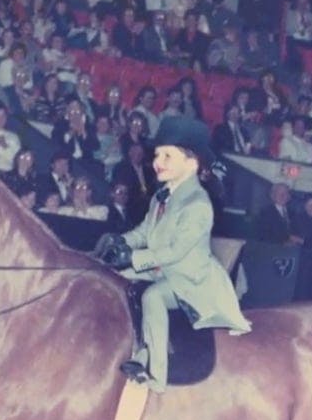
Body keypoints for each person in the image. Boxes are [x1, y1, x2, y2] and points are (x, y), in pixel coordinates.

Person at [94, 116, 251, 393]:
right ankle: (128, 344)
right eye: (157, 155)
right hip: (161, 269)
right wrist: (121, 241)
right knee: (111, 276)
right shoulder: (161, 196)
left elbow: (175, 251)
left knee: (152, 296)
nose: (158, 161)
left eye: (168, 155)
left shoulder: (198, 203)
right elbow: (144, 232)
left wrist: (134, 259)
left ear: (191, 164)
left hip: (190, 279)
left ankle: (156, 374)